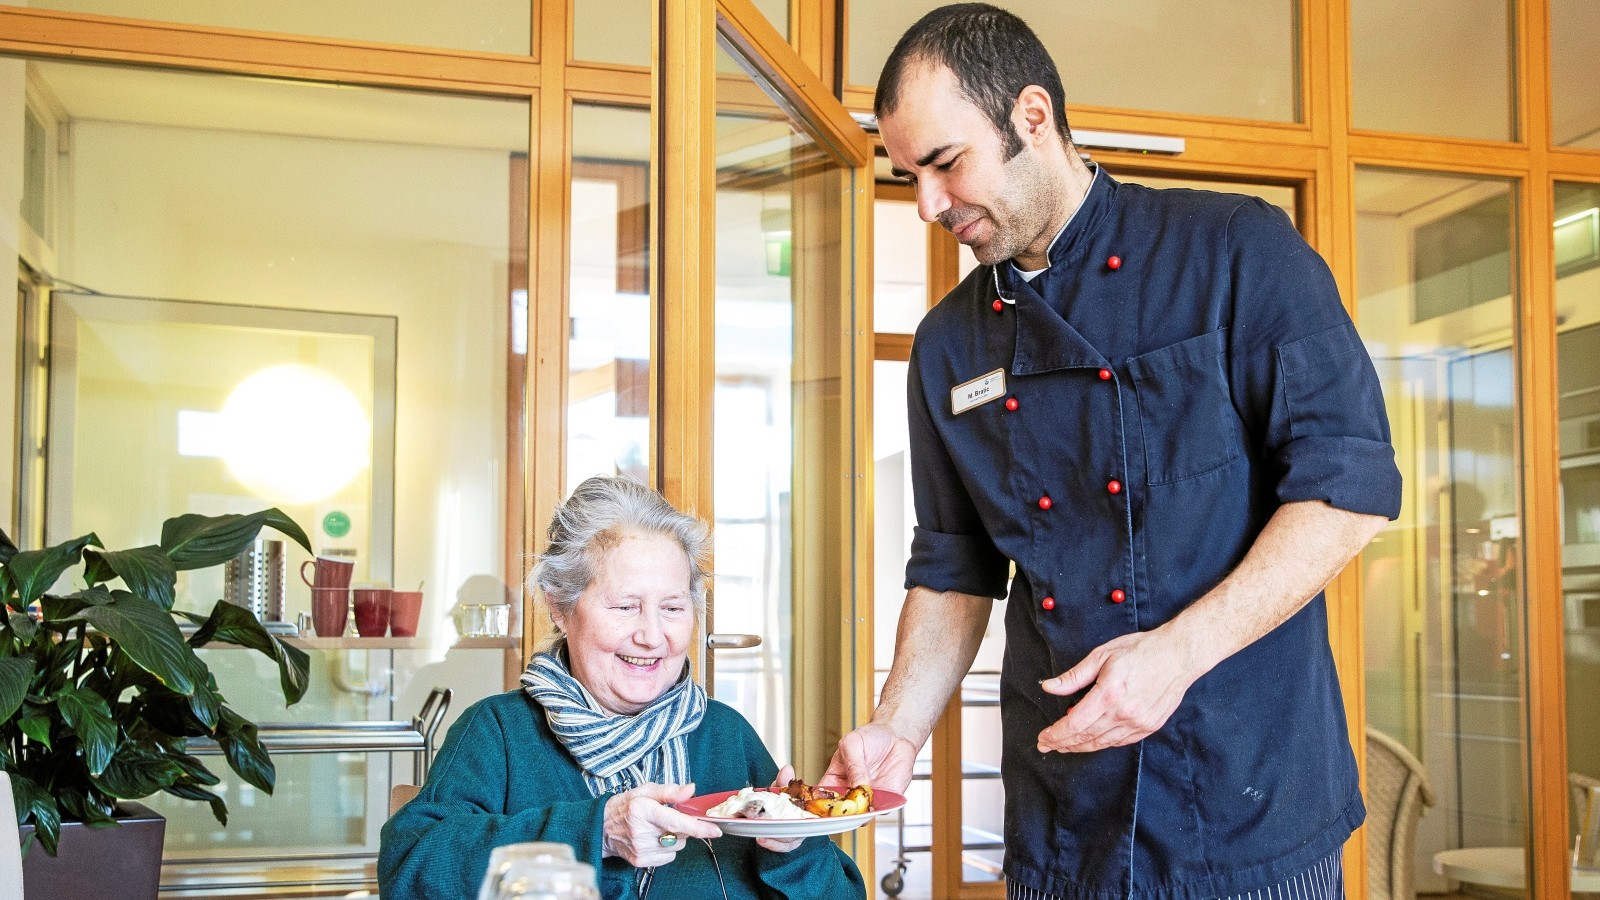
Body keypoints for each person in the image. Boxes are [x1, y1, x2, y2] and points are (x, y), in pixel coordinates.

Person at [826, 5, 1402, 900]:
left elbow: (1348, 489)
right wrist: (896, 728)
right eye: (908, 175)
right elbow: (954, 566)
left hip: (1245, 796)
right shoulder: (948, 346)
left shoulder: (1235, 252)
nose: (928, 205)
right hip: (1065, 808)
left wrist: (1171, 657)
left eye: (944, 164)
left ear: (1031, 116)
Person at [380, 475, 866, 899]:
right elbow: (408, 871)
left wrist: (792, 848)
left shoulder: (725, 734)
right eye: (625, 606)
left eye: (673, 608)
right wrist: (600, 833)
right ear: (559, 607)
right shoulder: (498, 733)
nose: (653, 636)